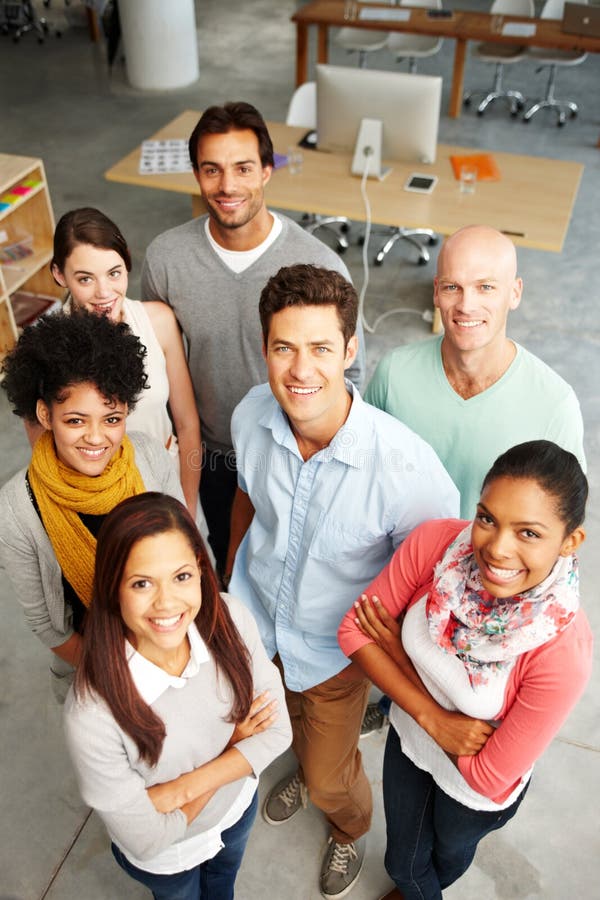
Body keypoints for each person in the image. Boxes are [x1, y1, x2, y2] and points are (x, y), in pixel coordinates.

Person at [227, 264, 459, 899]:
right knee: (288, 728)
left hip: (335, 651)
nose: (301, 370)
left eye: (321, 348)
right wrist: (228, 585)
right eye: (284, 348)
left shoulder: (405, 469)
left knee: (334, 781)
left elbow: (430, 581)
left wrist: (381, 654)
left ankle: (348, 826)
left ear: (351, 350)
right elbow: (246, 501)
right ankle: (310, 762)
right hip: (257, 629)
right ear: (265, 348)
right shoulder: (252, 416)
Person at [338, 440, 592, 900]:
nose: (496, 549)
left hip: (471, 799)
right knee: (403, 863)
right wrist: (435, 718)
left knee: (444, 859)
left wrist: (397, 653)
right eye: (488, 518)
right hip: (410, 740)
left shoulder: (562, 649)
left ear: (570, 541)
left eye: (529, 533)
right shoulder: (439, 543)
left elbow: (489, 776)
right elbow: (353, 632)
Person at [140, 101, 366, 576]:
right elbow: (155, 361)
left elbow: (352, 373)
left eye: (243, 168)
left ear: (267, 170)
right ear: (196, 174)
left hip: (295, 457)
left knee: (297, 584)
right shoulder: (166, 258)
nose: (227, 186)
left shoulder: (320, 264)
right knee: (214, 578)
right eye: (211, 170)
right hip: (209, 459)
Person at [64, 492, 292, 900]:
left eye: (182, 576)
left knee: (223, 885)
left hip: (236, 813)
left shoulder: (230, 619)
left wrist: (176, 792)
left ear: (202, 572)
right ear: (113, 588)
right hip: (169, 858)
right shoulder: (92, 714)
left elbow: (278, 735)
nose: (167, 602)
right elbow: (148, 840)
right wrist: (236, 746)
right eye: (141, 583)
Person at [0, 311, 185, 695]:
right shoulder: (17, 510)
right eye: (76, 421)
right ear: (44, 414)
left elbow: (185, 553)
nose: (96, 438)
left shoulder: (149, 458)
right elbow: (47, 626)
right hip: (96, 674)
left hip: (178, 653)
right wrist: (131, 677)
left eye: (112, 418)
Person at [365, 225, 586, 520]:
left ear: (515, 293)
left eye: (485, 287)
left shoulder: (554, 404)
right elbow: (358, 477)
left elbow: (565, 520)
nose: (466, 306)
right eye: (452, 287)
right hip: (400, 558)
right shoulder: (394, 374)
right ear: (436, 293)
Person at [47, 207, 202, 521]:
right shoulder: (43, 348)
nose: (105, 293)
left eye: (114, 273)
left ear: (128, 261)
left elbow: (187, 426)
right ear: (59, 275)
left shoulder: (158, 321)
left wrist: (186, 508)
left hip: (166, 487)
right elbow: (46, 455)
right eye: (85, 278)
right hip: (94, 503)